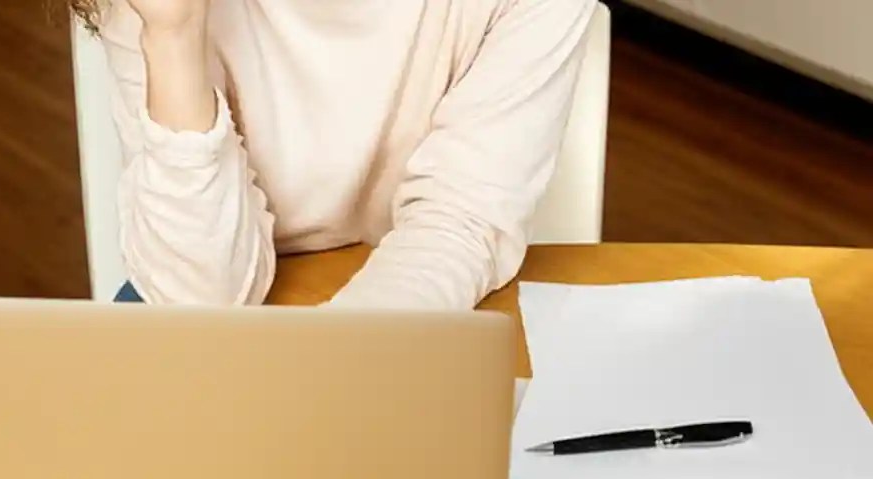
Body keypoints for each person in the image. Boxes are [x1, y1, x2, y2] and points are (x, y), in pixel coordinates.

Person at [72, 0, 597, 308]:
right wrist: (173, 34)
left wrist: (335, 366)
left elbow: (459, 222)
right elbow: (199, 299)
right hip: (207, 283)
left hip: (411, 288)